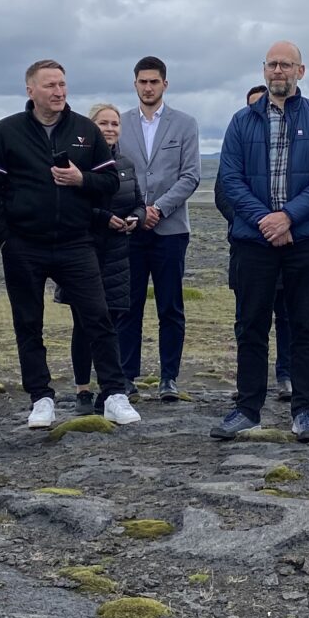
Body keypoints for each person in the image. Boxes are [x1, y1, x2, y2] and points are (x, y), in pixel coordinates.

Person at [0, 60, 138, 427]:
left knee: (98, 317)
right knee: (29, 323)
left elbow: (110, 183)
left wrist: (81, 178)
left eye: (63, 85)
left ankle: (114, 393)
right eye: (50, 85)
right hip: (24, 246)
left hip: (76, 243)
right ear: (30, 89)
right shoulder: (7, 131)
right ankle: (41, 398)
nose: (58, 92)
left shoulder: (85, 129)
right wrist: (4, 238)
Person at [211, 41, 309, 443]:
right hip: (253, 241)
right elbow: (230, 179)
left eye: (286, 65)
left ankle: (304, 411)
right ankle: (247, 408)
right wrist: (265, 220)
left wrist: (288, 216)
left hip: (304, 239)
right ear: (263, 70)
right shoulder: (240, 122)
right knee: (250, 326)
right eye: (272, 65)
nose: (278, 71)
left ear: (301, 71)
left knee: (304, 326)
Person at [122, 57, 201, 403]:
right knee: (129, 304)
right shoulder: (120, 124)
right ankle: (126, 375)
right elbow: (115, 174)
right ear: (135, 84)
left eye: (154, 81)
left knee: (170, 305)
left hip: (171, 231)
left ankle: (169, 376)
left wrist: (159, 208)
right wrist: (137, 211)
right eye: (143, 82)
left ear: (165, 84)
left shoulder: (185, 124)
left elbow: (191, 175)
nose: (148, 87)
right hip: (129, 229)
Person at [217, 82, 293, 399]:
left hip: (288, 245)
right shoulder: (239, 142)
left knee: (287, 316)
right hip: (247, 246)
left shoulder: (288, 145)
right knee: (247, 320)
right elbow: (226, 195)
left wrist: (281, 222)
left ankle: (287, 376)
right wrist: (258, 222)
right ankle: (249, 384)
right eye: (254, 104)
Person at [69, 103, 145, 410]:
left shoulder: (126, 164)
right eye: (103, 123)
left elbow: (139, 201)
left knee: (111, 322)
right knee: (83, 324)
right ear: (91, 128)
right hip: (83, 250)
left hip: (118, 254)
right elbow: (72, 204)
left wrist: (136, 218)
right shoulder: (77, 164)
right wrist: (103, 217)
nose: (110, 128)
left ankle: (109, 389)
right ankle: (82, 389)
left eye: (115, 123)